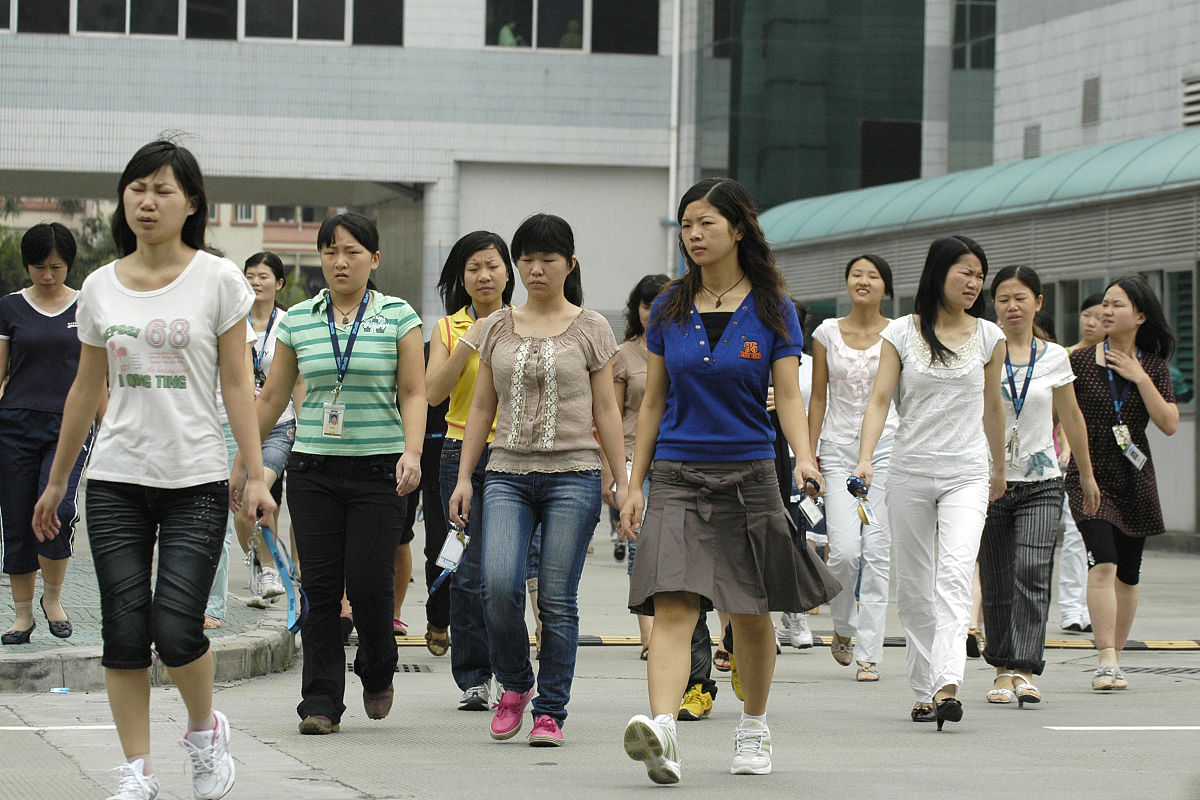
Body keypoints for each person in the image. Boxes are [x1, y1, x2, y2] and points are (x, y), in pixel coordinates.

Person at [32, 139, 274, 800]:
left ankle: (203, 731)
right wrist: (58, 481)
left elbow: (235, 385)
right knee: (124, 630)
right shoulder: (100, 288)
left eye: (163, 189)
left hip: (194, 477)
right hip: (115, 479)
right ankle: (137, 771)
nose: (147, 200)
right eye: (137, 187)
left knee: (176, 628)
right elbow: (85, 390)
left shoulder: (219, 278)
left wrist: (253, 475)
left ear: (191, 202)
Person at [620, 178, 837, 783]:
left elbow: (789, 395)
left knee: (749, 611)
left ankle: (754, 727)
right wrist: (635, 483)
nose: (693, 234)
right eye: (686, 224)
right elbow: (654, 403)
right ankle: (662, 729)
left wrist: (805, 457)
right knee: (672, 602)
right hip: (676, 473)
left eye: (706, 223)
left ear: (738, 229)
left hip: (750, 473)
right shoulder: (668, 307)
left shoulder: (773, 309)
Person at [237, 211, 425, 734]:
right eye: (329, 252)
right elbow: (273, 396)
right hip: (314, 468)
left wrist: (411, 453)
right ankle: (320, 702)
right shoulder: (298, 319)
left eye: (352, 251)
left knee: (369, 586)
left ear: (374, 258)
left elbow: (414, 392)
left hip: (378, 470)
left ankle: (378, 666)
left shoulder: (398, 317)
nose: (340, 262)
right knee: (319, 590)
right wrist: (246, 466)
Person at [449, 213, 627, 747]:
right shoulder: (495, 326)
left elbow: (607, 411)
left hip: (574, 474)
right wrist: (464, 477)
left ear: (569, 264)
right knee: (496, 584)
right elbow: (482, 405)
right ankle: (516, 684)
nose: (535, 268)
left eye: (547, 259)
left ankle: (551, 710)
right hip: (505, 473)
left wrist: (622, 482)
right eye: (526, 258)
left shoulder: (592, 326)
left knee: (555, 597)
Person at [853, 234, 1007, 731]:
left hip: (967, 472)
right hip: (911, 469)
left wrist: (999, 468)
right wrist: (864, 458)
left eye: (979, 274)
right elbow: (879, 399)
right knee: (916, 587)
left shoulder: (989, 336)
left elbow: (992, 406)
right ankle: (923, 690)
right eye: (965, 271)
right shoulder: (901, 332)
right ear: (938, 273)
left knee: (956, 574)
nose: (974, 282)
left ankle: (947, 683)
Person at [978, 266, 1100, 708]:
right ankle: (1001, 669)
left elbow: (1071, 417)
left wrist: (1085, 474)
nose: (1012, 306)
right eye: (1004, 298)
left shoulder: (1054, 357)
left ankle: (1025, 668)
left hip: (1044, 480)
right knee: (995, 576)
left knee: (1030, 570)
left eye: (1021, 298)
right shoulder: (983, 350)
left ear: (1038, 303)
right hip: (989, 480)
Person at [1064, 276, 1178, 692]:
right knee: (1104, 563)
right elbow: (1060, 415)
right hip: (1089, 476)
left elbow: (1167, 424)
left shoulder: (1151, 366)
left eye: (1118, 305)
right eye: (1105, 304)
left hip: (1135, 477)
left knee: (1128, 575)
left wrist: (1139, 377)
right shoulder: (1077, 362)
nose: (1107, 312)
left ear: (1141, 316)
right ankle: (1105, 657)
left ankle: (1118, 659)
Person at [426, 230, 514, 710]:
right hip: (459, 455)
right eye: (474, 267)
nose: (484, 275)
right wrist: (471, 340)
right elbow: (434, 392)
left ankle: (509, 671)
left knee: (503, 572)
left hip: (514, 456)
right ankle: (475, 679)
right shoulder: (447, 328)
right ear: (462, 276)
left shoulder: (525, 322)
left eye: (492, 265)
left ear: (508, 272)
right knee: (466, 568)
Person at [807, 254, 899, 682]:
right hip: (839, 449)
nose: (864, 281)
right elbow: (818, 399)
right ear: (846, 283)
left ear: (886, 287)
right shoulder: (826, 333)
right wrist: (808, 456)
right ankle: (843, 628)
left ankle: (870, 653)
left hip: (887, 449)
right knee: (844, 551)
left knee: (877, 552)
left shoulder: (898, 333)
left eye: (873, 276)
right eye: (856, 275)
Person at [0, 223, 93, 644]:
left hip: (69, 427)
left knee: (58, 508)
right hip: (15, 425)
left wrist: (105, 425)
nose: (48, 276)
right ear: (28, 266)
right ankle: (22, 614)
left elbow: (98, 378)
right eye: (39, 267)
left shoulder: (88, 307)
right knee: (17, 516)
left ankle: (52, 599)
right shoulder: (10, 308)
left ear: (68, 264)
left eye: (56, 266)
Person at [603, 273, 669, 660]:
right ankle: (649, 633)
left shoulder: (683, 348)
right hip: (633, 458)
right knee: (639, 544)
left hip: (677, 456)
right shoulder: (623, 355)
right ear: (637, 310)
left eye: (660, 304)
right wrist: (612, 474)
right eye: (647, 305)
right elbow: (610, 413)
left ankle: (670, 628)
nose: (653, 312)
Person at [234, 252, 301, 611]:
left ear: (278, 283)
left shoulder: (290, 324)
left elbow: (300, 381)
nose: (255, 282)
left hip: (279, 426)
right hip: (237, 425)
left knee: (256, 494)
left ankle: (272, 569)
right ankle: (261, 567)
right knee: (240, 508)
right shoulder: (232, 323)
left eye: (263, 276)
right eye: (250, 276)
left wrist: (306, 429)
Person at [1056, 292, 1105, 633]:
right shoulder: (1066, 357)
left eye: (1100, 316)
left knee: (1098, 540)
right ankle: (1071, 608)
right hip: (1066, 457)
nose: (1091, 322)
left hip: (1103, 458)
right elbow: (1061, 415)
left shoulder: (1115, 360)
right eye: (1086, 314)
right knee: (1074, 533)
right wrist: (1066, 448)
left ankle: (1092, 608)